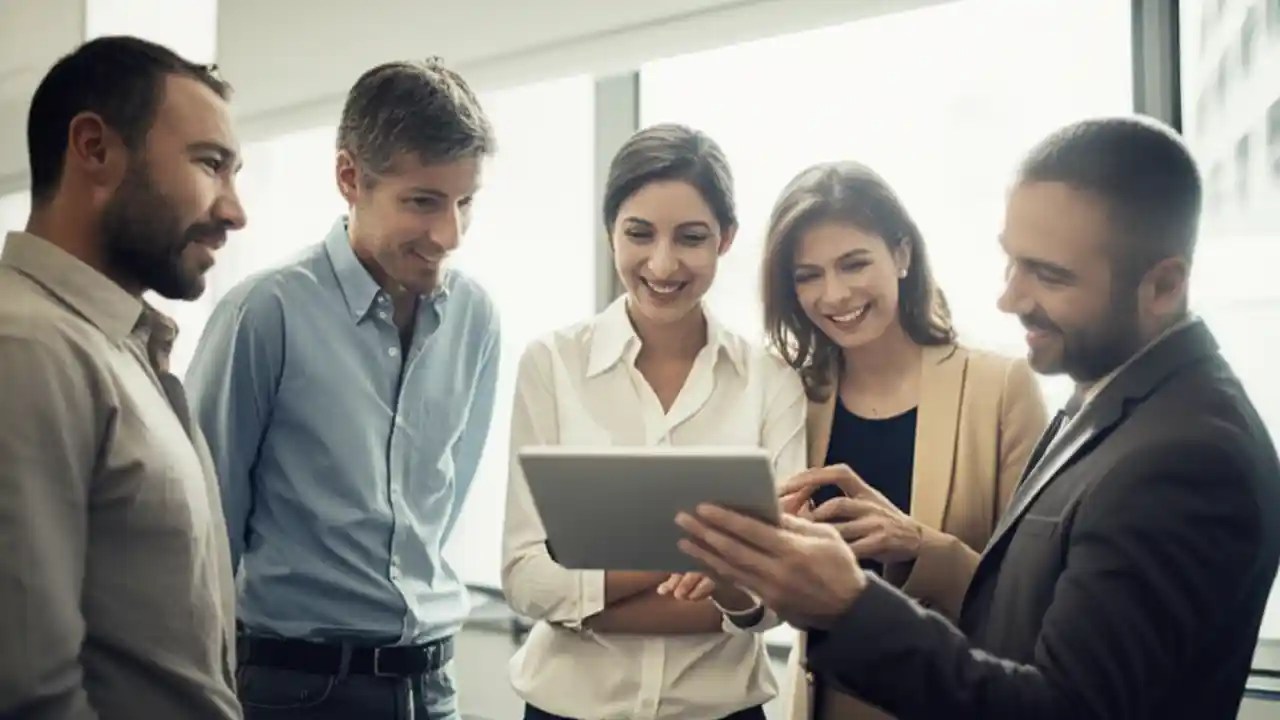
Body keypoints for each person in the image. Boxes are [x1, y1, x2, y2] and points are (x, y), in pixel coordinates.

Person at [675, 115, 1280, 719]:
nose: (1008, 299)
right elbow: (1025, 606)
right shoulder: (1111, 403)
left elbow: (1059, 704)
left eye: (1049, 275)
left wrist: (855, 599)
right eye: (1012, 263)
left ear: (1164, 286)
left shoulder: (1185, 456)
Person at [185, 58, 499, 720]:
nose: (449, 235)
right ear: (349, 177)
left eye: (464, 202)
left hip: (434, 686)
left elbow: (444, 505)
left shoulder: (476, 318)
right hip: (292, 691)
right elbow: (204, 534)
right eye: (422, 201)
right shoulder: (263, 314)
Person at [500, 123, 806, 720]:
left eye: (691, 237)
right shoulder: (552, 365)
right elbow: (525, 578)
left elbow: (775, 594)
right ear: (610, 231)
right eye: (639, 234)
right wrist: (696, 564)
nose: (662, 263)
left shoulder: (772, 382)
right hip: (567, 710)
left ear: (726, 240)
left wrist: (588, 590)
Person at [0, 36, 246, 719]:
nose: (234, 210)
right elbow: (28, 692)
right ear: (94, 148)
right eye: (210, 165)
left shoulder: (118, 344)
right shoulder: (25, 347)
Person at [756, 161, 1048, 719]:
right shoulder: (793, 396)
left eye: (854, 263)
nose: (833, 294)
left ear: (902, 255)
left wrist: (918, 545)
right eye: (807, 274)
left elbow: (1028, 602)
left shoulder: (999, 387)